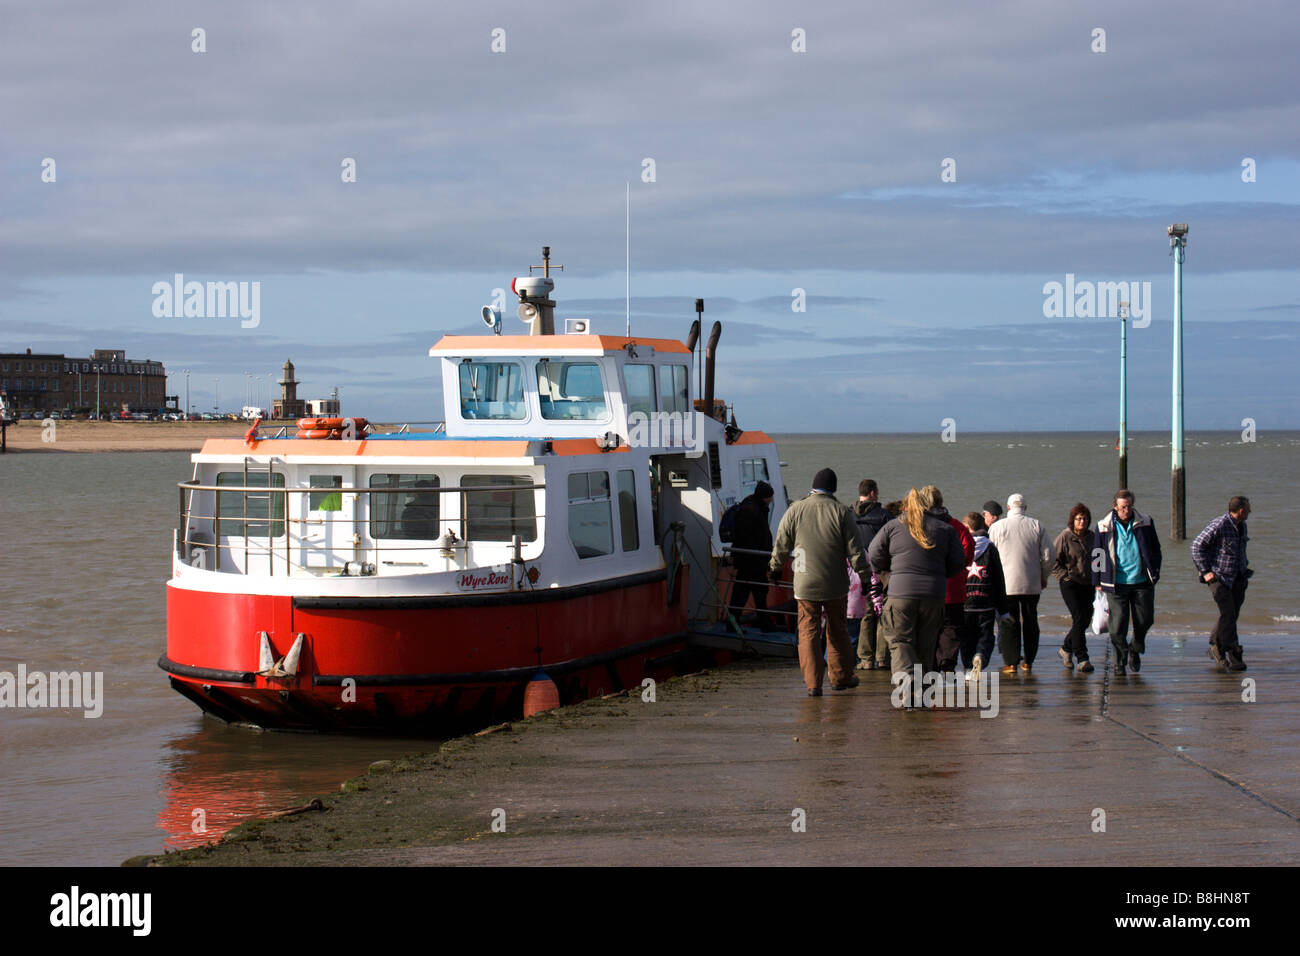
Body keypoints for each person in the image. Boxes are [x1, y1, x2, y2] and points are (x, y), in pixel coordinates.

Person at [769, 468, 869, 696]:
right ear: (833, 489)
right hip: (835, 583)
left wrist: (774, 568)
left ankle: (813, 685)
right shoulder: (842, 512)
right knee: (838, 630)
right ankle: (840, 678)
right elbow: (855, 551)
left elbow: (782, 543)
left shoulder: (796, 509)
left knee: (807, 631)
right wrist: (864, 576)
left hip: (804, 582)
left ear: (813, 486)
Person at [869, 486, 965, 688]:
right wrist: (940, 573)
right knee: (926, 644)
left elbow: (874, 555)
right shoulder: (945, 530)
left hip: (900, 593)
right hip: (934, 594)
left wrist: (890, 572)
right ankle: (922, 689)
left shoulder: (893, 527)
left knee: (900, 642)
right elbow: (958, 563)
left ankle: (907, 686)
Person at [1093, 489, 1162, 676]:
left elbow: (1155, 548)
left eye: (1129, 506)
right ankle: (1119, 661)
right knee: (1118, 625)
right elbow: (1098, 553)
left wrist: (1155, 571)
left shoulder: (1145, 522)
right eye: (1123, 506)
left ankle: (1135, 648)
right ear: (1115, 506)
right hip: (1116, 583)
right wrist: (1097, 579)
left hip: (1142, 581)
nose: (1127, 509)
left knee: (1145, 619)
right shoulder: (1103, 526)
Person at [988, 493, 1051, 674]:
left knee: (1009, 622)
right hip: (1031, 583)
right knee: (1031, 621)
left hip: (1006, 583)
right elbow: (1048, 555)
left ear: (1008, 508)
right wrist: (1043, 576)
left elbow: (990, 554)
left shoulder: (997, 527)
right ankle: (1028, 661)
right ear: (1025, 507)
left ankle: (1011, 662)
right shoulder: (1036, 525)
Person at [1192, 496, 1252, 672]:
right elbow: (1196, 546)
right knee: (1228, 614)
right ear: (1241, 510)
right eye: (1248, 508)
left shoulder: (1242, 526)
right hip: (1219, 578)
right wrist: (1205, 571)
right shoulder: (1219, 524)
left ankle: (1215, 645)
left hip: (1238, 577)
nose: (1250, 511)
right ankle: (1233, 653)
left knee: (1231, 615)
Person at [921, 486, 975, 673]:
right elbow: (968, 552)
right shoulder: (956, 526)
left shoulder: (918, 527)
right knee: (952, 627)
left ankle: (932, 666)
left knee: (929, 630)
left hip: (926, 588)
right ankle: (948, 659)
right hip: (953, 585)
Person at [960, 512, 1008, 682]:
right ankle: (980, 655)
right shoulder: (990, 547)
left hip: (964, 601)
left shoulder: (961, 545)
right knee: (985, 635)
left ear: (966, 527)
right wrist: (1003, 609)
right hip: (986, 600)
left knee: (966, 636)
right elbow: (998, 578)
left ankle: (967, 667)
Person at [1052, 503, 1095, 673]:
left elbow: (1100, 559)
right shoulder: (1065, 537)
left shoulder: (1093, 537)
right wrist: (1063, 576)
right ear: (1073, 520)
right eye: (1078, 519)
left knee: (1085, 619)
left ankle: (1065, 649)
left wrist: (1100, 580)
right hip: (1070, 583)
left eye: (1084, 518)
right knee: (1078, 617)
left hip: (1088, 583)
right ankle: (1082, 658)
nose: (1082, 522)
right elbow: (1053, 560)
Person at [853, 479, 891, 669]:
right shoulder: (884, 516)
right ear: (873, 493)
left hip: (858, 570)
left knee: (866, 614)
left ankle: (866, 659)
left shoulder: (849, 514)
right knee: (882, 612)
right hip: (882, 570)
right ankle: (882, 658)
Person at [729, 481, 776, 630]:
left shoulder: (751, 506)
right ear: (765, 497)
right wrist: (760, 558)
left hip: (750, 559)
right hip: (752, 560)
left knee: (747, 592)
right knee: (755, 591)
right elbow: (749, 537)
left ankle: (735, 621)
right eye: (770, 497)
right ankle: (761, 622)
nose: (771, 500)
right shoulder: (752, 510)